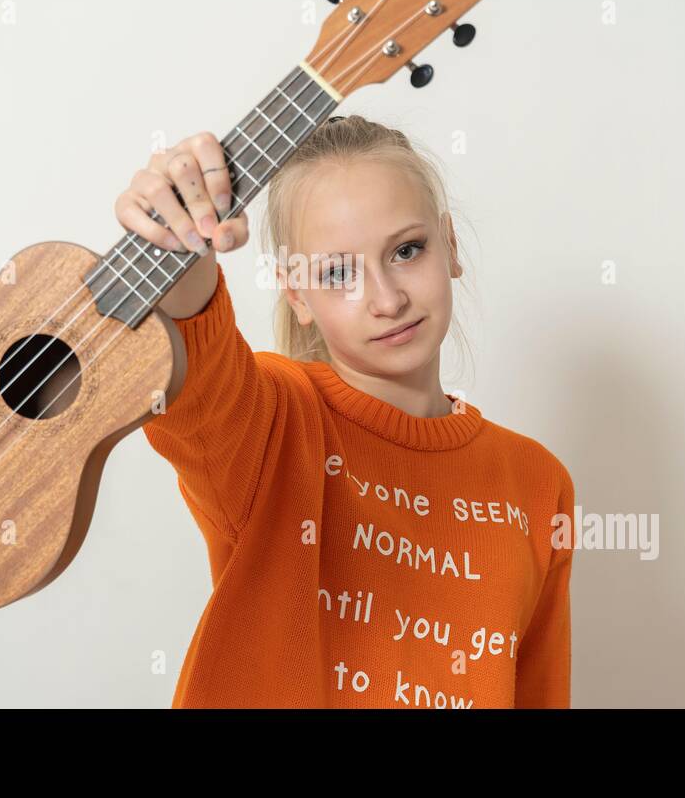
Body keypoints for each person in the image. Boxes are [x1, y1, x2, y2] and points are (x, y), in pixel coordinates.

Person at [117, 115, 574, 708]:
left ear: (451, 246)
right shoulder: (273, 424)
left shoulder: (538, 482)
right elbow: (197, 373)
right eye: (338, 273)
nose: (387, 299)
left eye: (407, 251)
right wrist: (177, 236)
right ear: (297, 294)